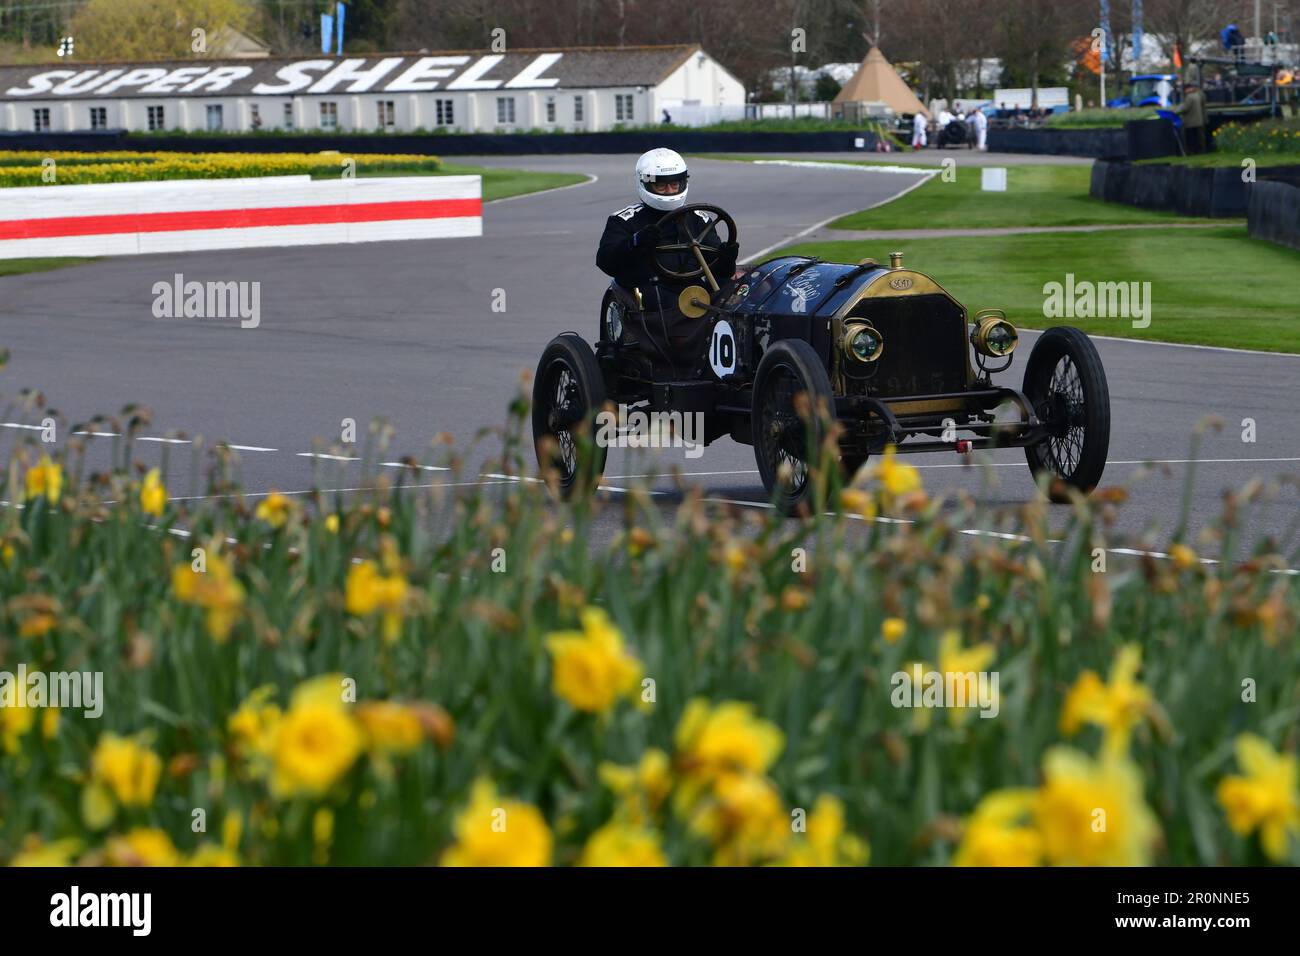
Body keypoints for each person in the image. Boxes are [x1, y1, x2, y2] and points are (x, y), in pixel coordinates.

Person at [596, 148, 739, 367]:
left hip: (692, 290)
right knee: (662, 299)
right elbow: (605, 261)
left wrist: (726, 258)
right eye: (661, 185)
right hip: (648, 292)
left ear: (683, 182)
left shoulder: (699, 219)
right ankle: (679, 362)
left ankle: (731, 357)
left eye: (674, 185)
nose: (669, 191)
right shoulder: (624, 220)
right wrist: (635, 242)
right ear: (645, 184)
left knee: (735, 295)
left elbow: (720, 272)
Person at [1174, 82, 1208, 154]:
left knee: (1191, 139)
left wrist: (1175, 112)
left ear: (1188, 89)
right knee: (1200, 138)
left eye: (1185, 89)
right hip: (1199, 120)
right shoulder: (1198, 95)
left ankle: (1192, 151)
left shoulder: (1189, 97)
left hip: (1191, 122)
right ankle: (1202, 151)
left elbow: (1185, 108)